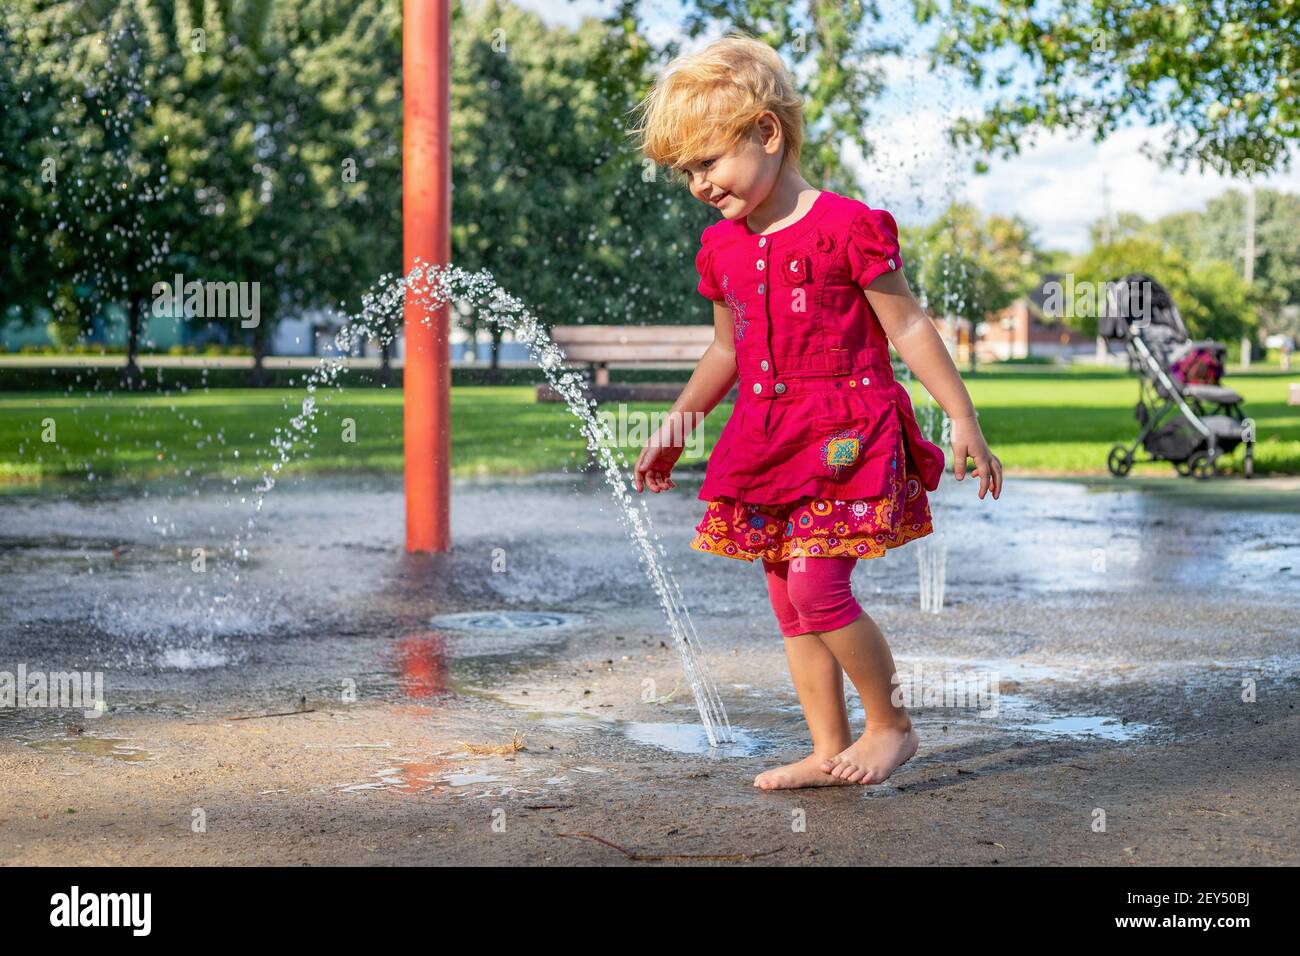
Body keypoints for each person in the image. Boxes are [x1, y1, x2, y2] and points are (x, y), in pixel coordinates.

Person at [627, 34, 1003, 791]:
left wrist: (961, 418)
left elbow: (908, 327)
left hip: (845, 438)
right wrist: (674, 430)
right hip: (767, 441)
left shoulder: (847, 227)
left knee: (817, 588)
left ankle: (891, 725)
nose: (698, 184)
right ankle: (829, 746)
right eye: (686, 173)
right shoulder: (723, 250)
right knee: (786, 595)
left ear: (767, 133)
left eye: (708, 161)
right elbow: (726, 354)